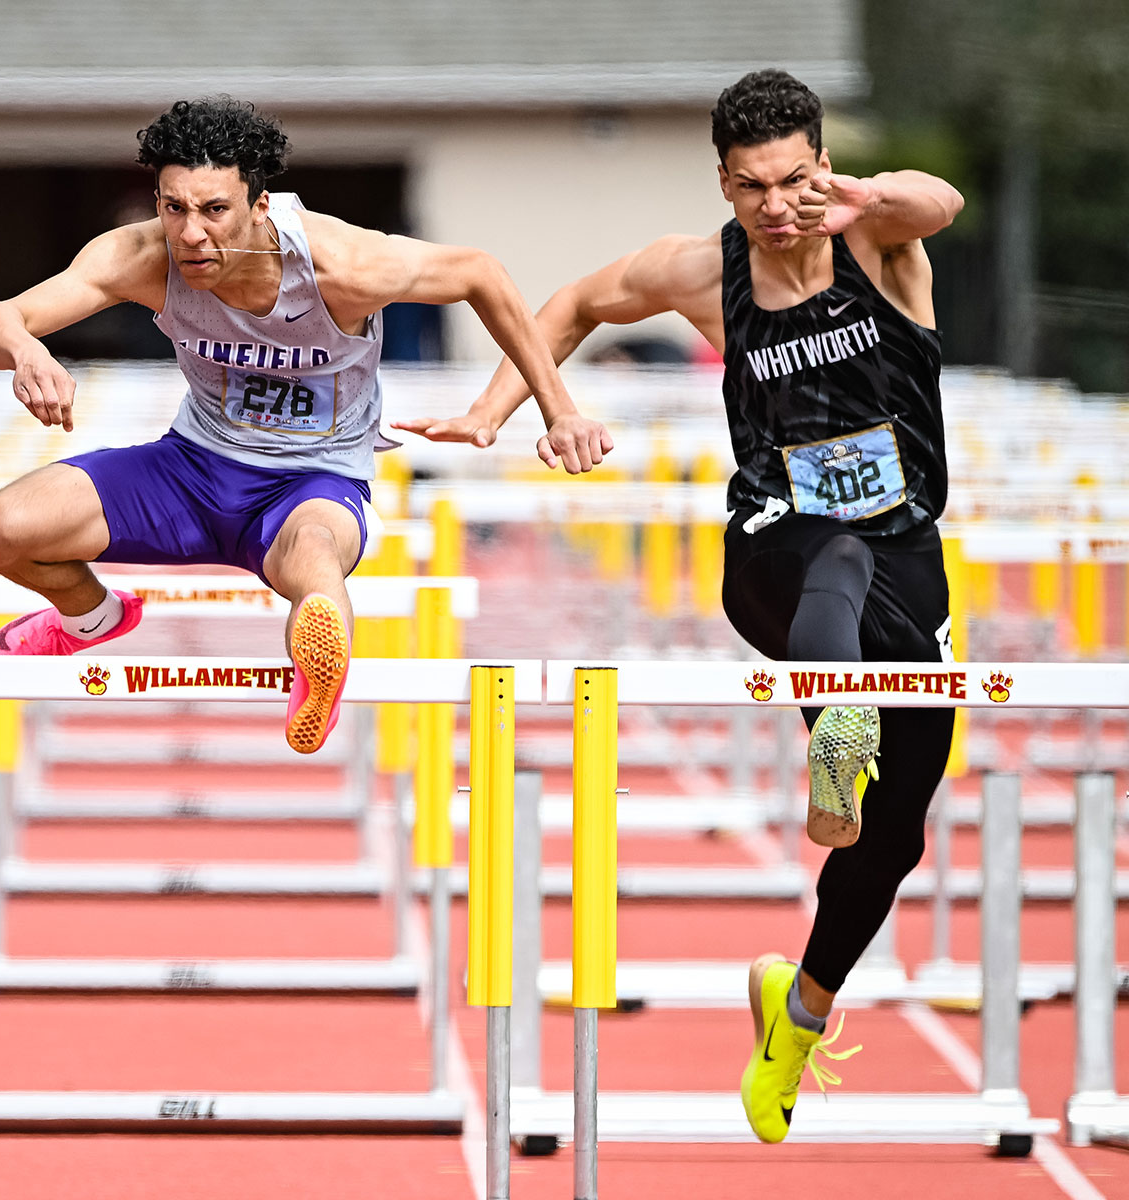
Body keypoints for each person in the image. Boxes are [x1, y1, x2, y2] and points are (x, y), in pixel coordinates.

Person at [396, 68, 964, 1142]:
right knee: (827, 550)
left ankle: (798, 1013)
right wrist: (499, 411)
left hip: (907, 569)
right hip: (772, 558)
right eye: (752, 187)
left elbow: (942, 203)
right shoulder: (706, 271)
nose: (776, 207)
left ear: (824, 167)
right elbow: (564, 305)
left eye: (795, 181)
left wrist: (870, 196)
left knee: (893, 842)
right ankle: (837, 724)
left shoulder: (880, 241)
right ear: (724, 182)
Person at [0, 97, 601, 753]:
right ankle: (90, 619)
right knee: (1, 530)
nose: (189, 234)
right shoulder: (141, 256)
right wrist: (29, 352)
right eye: (172, 207)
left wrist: (557, 410)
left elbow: (481, 274)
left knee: (314, 565)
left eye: (214, 211)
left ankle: (319, 668)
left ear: (260, 206)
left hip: (311, 481)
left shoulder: (341, 269)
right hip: (191, 468)